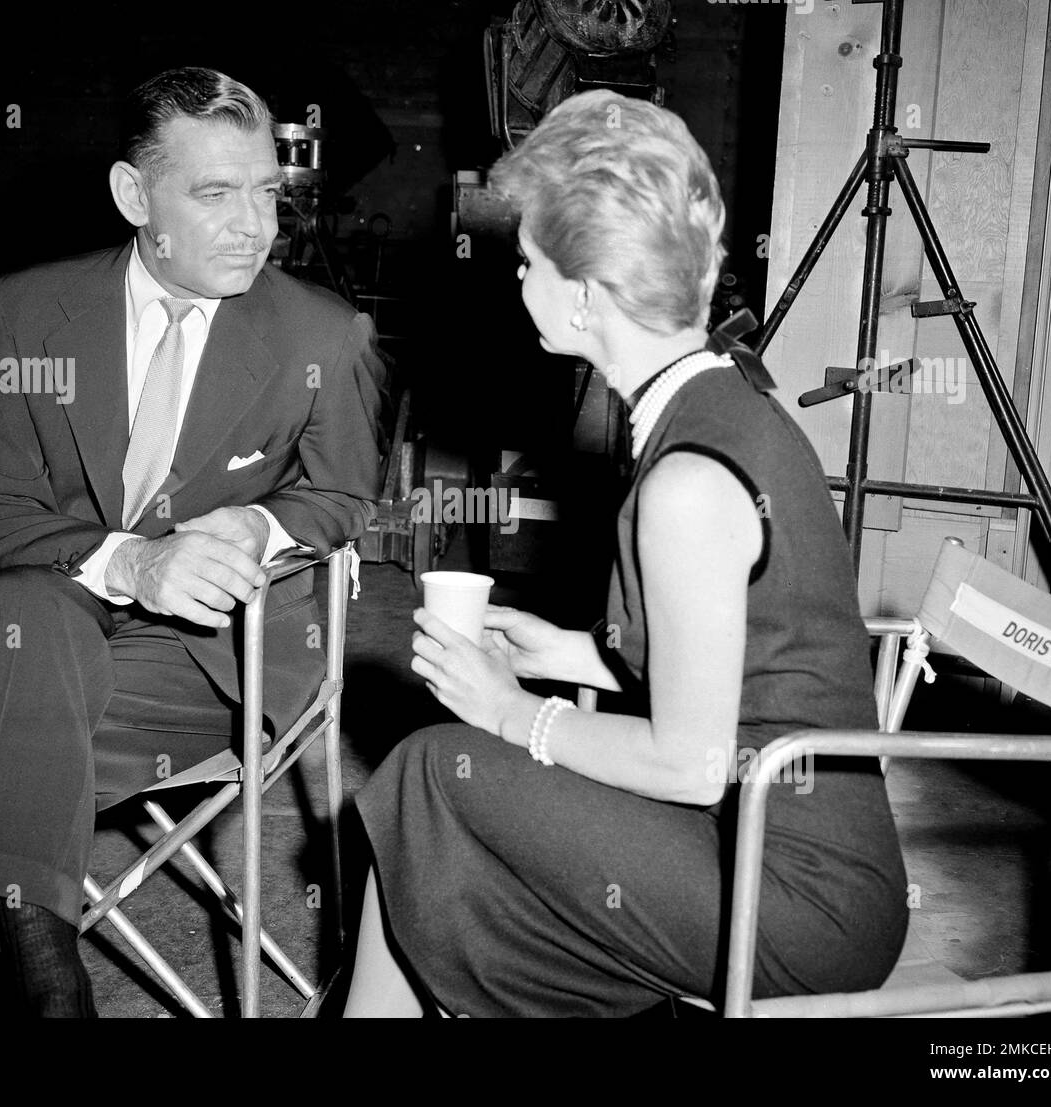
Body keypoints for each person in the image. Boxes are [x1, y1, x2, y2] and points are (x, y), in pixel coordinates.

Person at [0, 66, 387, 1018]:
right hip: (45, 643)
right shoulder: (21, 311)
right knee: (23, 612)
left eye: (267, 192)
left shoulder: (323, 333)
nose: (256, 225)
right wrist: (129, 560)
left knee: (0, 690)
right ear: (135, 196)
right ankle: (54, 992)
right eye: (216, 194)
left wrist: (260, 523)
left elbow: (344, 494)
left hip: (206, 664)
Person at [344, 90, 908, 1017]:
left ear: (583, 293)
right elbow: (750, 652)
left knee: (433, 770)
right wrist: (568, 653)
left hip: (793, 892)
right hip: (750, 828)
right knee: (430, 838)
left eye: (525, 260)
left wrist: (510, 711)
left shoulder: (685, 481)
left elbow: (690, 761)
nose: (516, 279)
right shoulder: (731, 394)